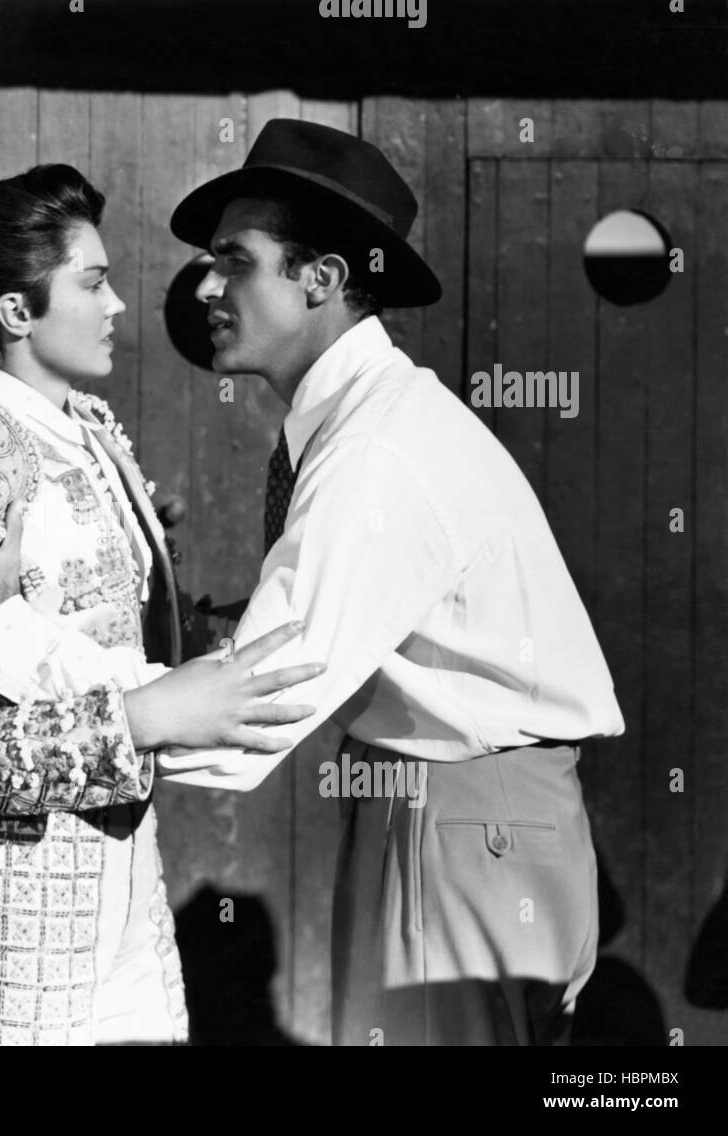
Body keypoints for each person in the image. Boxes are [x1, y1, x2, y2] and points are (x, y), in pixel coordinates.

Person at [157, 119, 624, 1045]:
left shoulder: (377, 446)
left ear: (322, 280)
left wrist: (50, 709)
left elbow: (269, 688)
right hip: (460, 817)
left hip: (458, 819)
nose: (204, 288)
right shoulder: (365, 421)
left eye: (234, 262)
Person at [0, 163, 323, 1045]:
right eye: (94, 281)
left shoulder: (93, 432)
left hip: (130, 895)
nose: (117, 307)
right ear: (16, 311)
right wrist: (141, 719)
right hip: (10, 922)